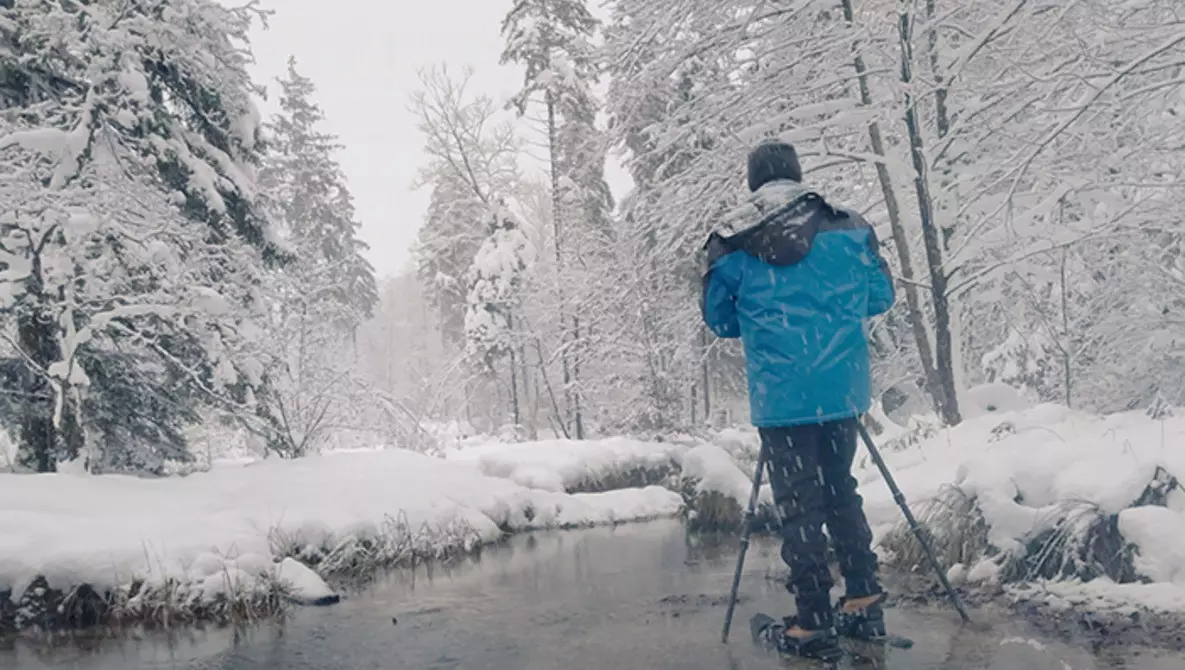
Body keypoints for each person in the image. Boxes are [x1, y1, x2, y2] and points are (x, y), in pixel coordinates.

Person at [701, 140, 896, 661]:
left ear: (753, 183)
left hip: (783, 397)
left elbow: (719, 321)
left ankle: (812, 621)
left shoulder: (733, 240)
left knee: (799, 506)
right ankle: (864, 598)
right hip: (841, 391)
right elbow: (881, 296)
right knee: (841, 490)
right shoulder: (849, 226)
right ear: (797, 174)